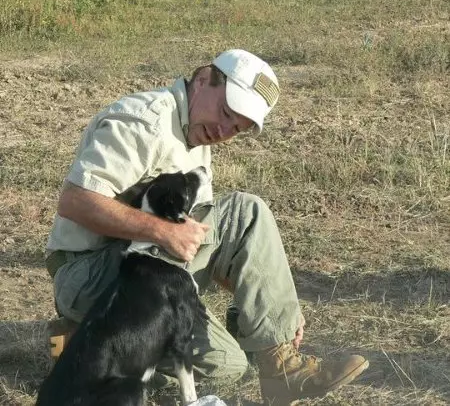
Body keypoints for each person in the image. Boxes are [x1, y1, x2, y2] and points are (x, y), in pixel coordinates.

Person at [45, 49, 368, 404]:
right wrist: (162, 231)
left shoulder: (196, 132)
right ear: (203, 80)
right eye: (226, 113)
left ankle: (85, 344)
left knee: (229, 365)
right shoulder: (144, 122)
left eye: (238, 128)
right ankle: (283, 371)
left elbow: (208, 242)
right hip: (88, 274)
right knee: (246, 211)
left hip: (139, 278)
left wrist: (273, 309)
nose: (225, 131)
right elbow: (75, 201)